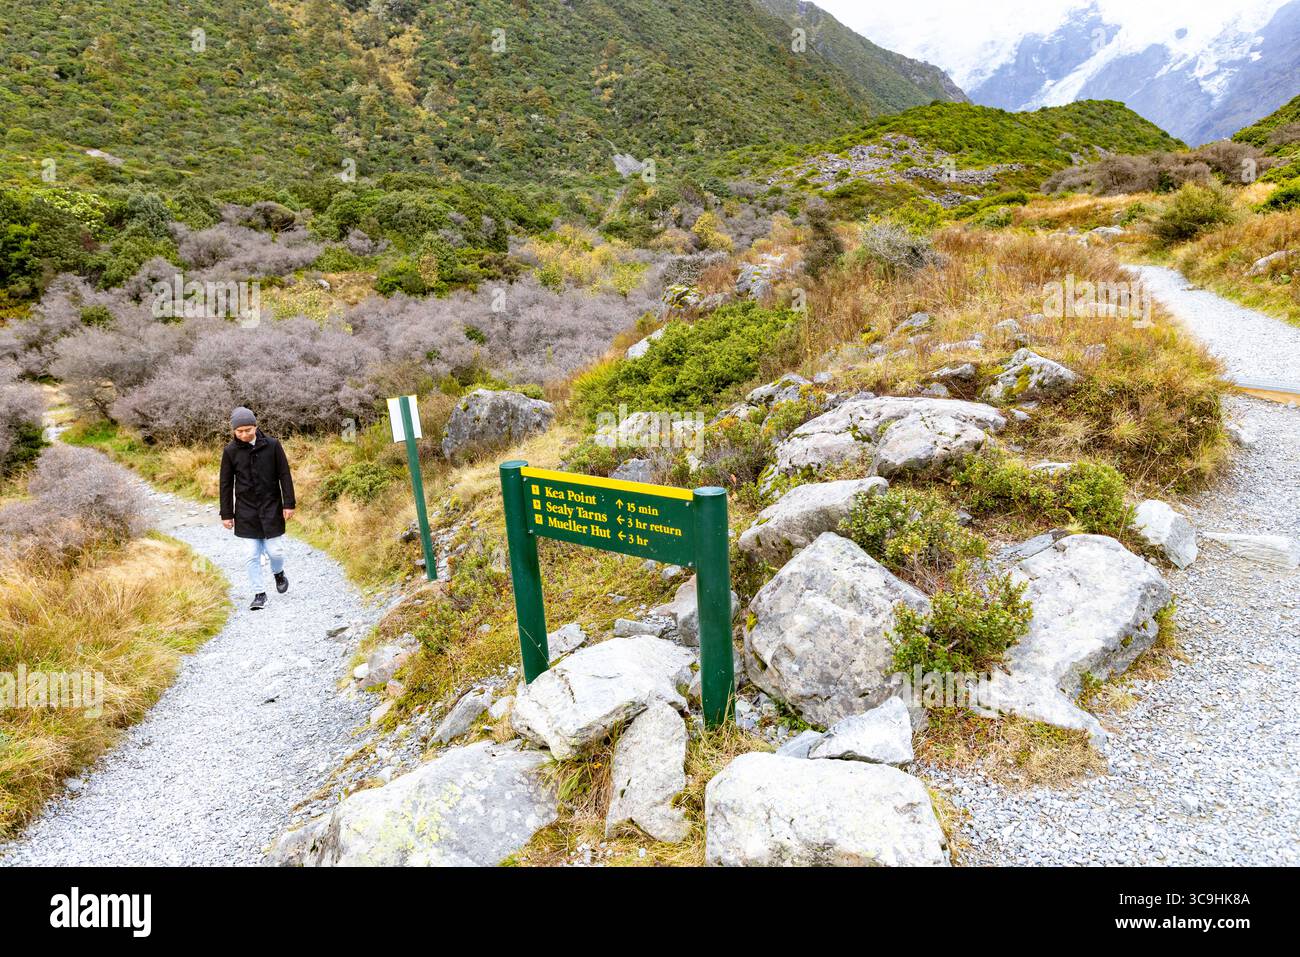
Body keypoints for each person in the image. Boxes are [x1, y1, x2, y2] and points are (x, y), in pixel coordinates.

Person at [219, 407, 296, 610]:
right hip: (246, 510)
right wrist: (226, 514)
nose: (244, 434)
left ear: (256, 426)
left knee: (275, 552)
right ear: (234, 431)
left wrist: (289, 503)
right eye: (239, 431)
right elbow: (225, 484)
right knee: (251, 555)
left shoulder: (272, 445)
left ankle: (278, 573)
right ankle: (259, 593)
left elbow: (284, 475)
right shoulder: (230, 451)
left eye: (248, 429)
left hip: (271, 506)